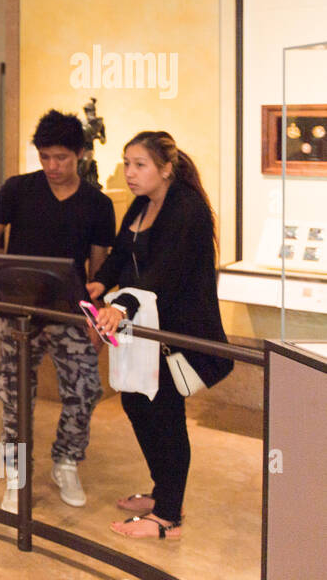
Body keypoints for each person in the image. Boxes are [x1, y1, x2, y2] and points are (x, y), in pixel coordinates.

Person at [0, 110, 116, 513]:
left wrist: (98, 315)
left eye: (62, 157)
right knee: (14, 393)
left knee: (84, 391)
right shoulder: (18, 189)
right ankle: (17, 472)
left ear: (80, 154)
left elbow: (99, 265)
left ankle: (66, 461)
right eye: (45, 157)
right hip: (19, 309)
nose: (52, 166)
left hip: (72, 312)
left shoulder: (97, 203)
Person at [88, 131, 233, 540]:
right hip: (143, 329)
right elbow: (121, 255)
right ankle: (162, 491)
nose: (129, 173)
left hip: (176, 330)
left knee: (166, 414)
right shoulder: (139, 204)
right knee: (136, 402)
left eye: (139, 165)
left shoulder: (187, 210)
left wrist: (121, 306)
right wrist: (101, 283)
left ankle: (169, 515)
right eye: (127, 163)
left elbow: (165, 272)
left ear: (166, 169)